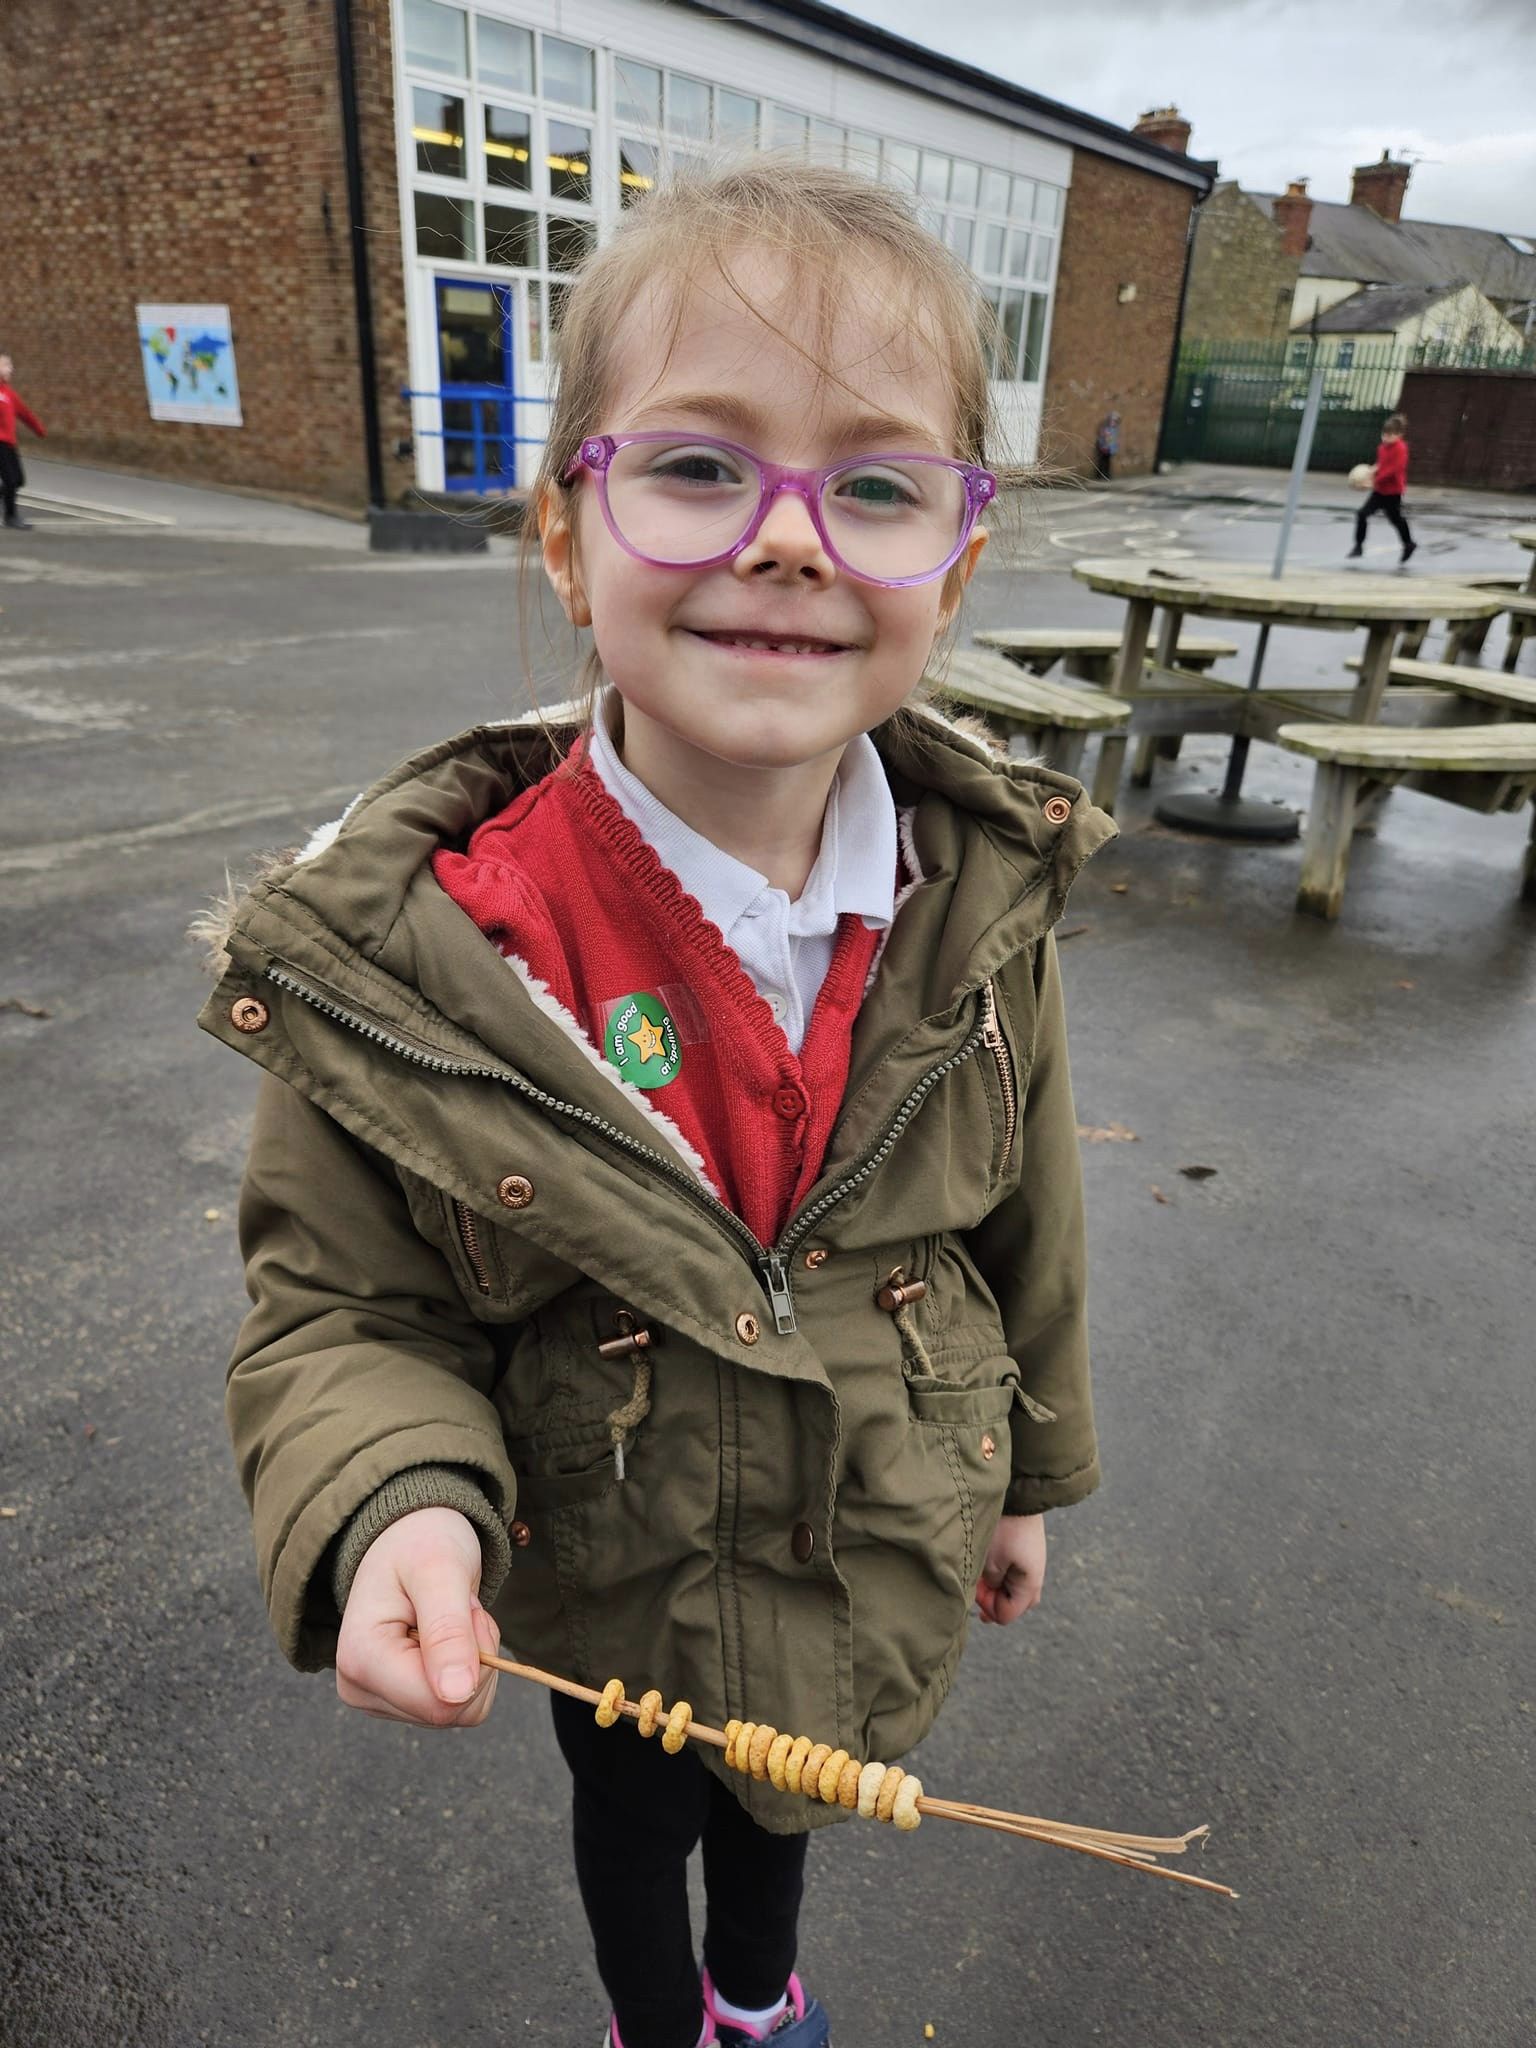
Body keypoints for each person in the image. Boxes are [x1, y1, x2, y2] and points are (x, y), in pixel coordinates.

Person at [198, 161, 1112, 2048]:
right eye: (701, 467)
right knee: (632, 1812)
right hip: (606, 1567)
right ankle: (654, 2020)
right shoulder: (432, 953)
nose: (789, 539)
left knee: (791, 1792)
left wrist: (1033, 1464)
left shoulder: (976, 904)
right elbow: (347, 1310)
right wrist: (397, 1504)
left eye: (873, 484)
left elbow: (1027, 1217)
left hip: (860, 1528)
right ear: (564, 532)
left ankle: (755, 1993)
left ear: (952, 564)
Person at [1348, 412, 1415, 563]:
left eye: (1390, 435)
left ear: (1399, 435)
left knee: (1396, 520)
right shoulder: (1382, 448)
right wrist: (1371, 471)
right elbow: (1381, 464)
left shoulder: (1401, 449)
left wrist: (1373, 481)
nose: (1386, 438)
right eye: (1384, 434)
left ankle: (1409, 544)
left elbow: (1393, 470)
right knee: (1362, 514)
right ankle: (1358, 546)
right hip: (1379, 491)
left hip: (1393, 492)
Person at [0, 352, 46, 531]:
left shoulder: (9, 394)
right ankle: (10, 517)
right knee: (10, 480)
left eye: (10, 365)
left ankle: (8, 504)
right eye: (5, 365)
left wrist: (39, 429)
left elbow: (25, 413)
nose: (10, 368)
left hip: (10, 444)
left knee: (18, 480)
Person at [1093, 405, 1121, 481]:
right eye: (1113, 420)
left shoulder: (1115, 429)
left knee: (1107, 463)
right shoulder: (1105, 428)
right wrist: (1102, 445)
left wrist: (1115, 448)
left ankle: (1106, 475)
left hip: (1109, 449)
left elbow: (1114, 440)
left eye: (1115, 421)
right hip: (1104, 448)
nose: (1114, 422)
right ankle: (1100, 475)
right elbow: (1102, 437)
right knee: (1102, 462)